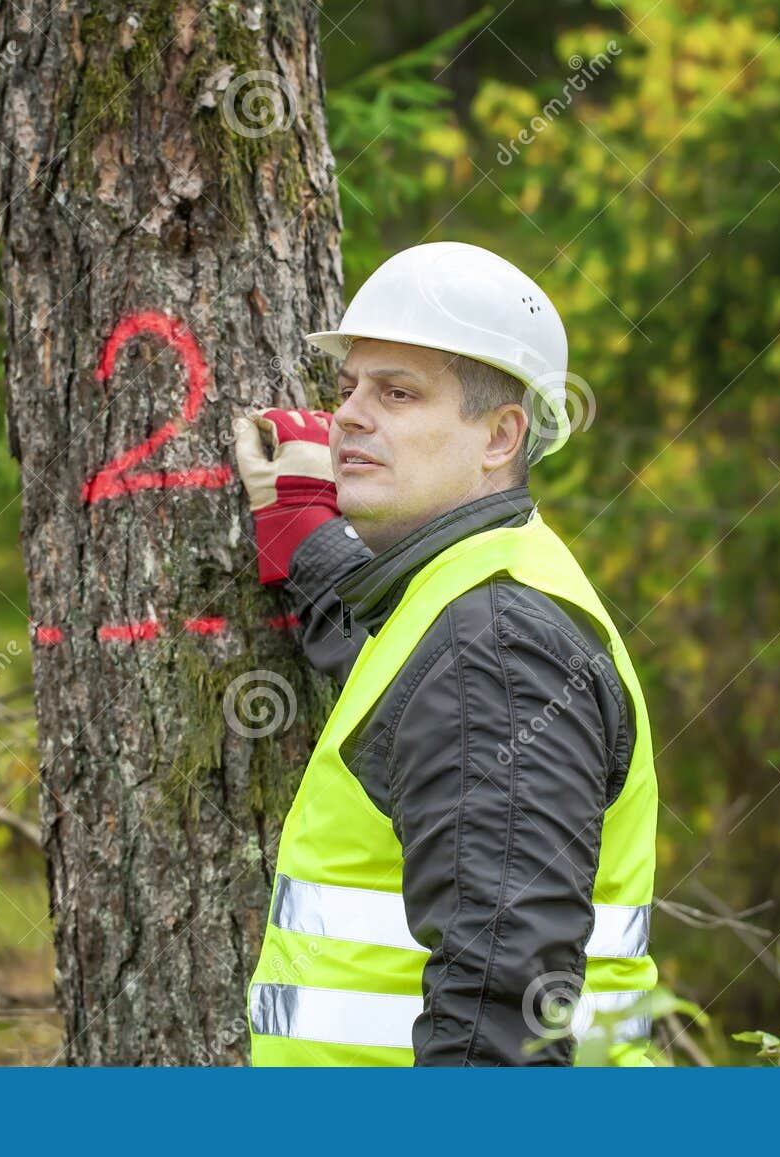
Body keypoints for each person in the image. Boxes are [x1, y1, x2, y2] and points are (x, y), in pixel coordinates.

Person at [231, 241, 659, 1066]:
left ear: (500, 435)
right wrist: (311, 542)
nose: (349, 416)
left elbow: (502, 997)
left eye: (398, 393)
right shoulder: (480, 590)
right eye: (348, 388)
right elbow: (408, 689)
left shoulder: (497, 649)